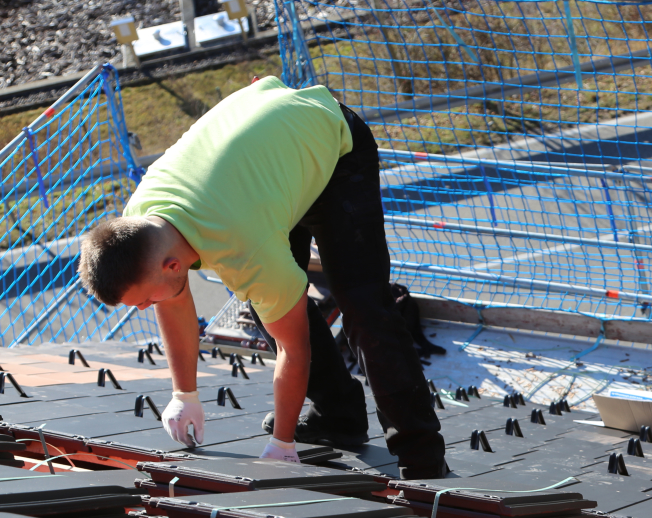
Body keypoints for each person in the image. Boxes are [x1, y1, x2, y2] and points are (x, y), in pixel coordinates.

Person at [77, 76, 446, 477]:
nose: (149, 307)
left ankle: (421, 451)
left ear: (172, 266)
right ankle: (340, 416)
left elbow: (295, 347)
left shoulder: (245, 250)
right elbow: (172, 298)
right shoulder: (143, 224)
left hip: (331, 144)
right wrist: (184, 394)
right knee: (267, 308)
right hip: (264, 166)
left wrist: (282, 443)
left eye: (146, 300)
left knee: (363, 307)